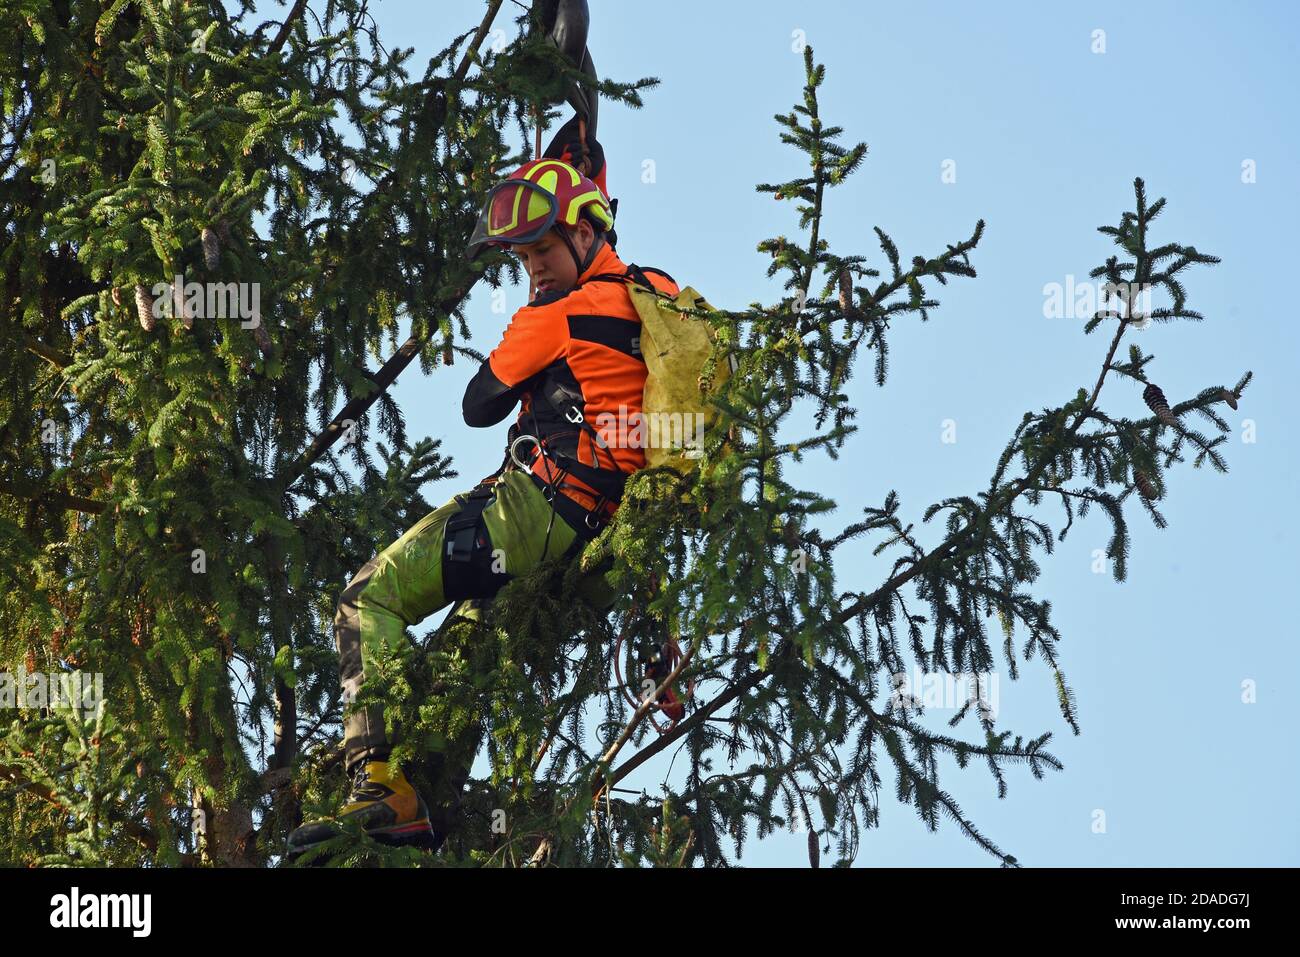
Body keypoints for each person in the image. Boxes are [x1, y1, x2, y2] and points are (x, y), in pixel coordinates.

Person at [285, 136, 680, 858]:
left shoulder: (555, 314)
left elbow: (479, 402)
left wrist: (532, 332)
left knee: (364, 598)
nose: (532, 268)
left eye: (542, 252)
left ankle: (376, 783)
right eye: (522, 258)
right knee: (468, 637)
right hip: (599, 544)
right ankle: (423, 802)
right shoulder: (654, 297)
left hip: (534, 510)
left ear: (585, 233)